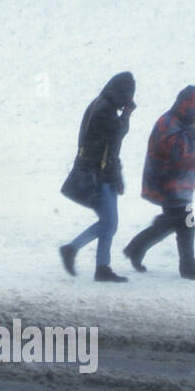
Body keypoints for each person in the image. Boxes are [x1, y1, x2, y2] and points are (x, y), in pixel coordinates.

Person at [122, 85, 195, 280]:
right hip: (167, 185)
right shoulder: (168, 124)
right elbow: (180, 154)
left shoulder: (183, 125)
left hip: (180, 186)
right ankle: (186, 266)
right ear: (189, 112)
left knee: (180, 222)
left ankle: (139, 248)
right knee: (185, 222)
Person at [59, 72, 136, 282]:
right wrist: (127, 115)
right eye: (128, 96)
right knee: (109, 223)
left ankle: (102, 268)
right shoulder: (105, 110)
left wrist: (116, 175)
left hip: (104, 171)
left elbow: (110, 148)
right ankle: (72, 248)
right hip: (98, 173)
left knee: (108, 222)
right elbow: (116, 136)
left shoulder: (101, 105)